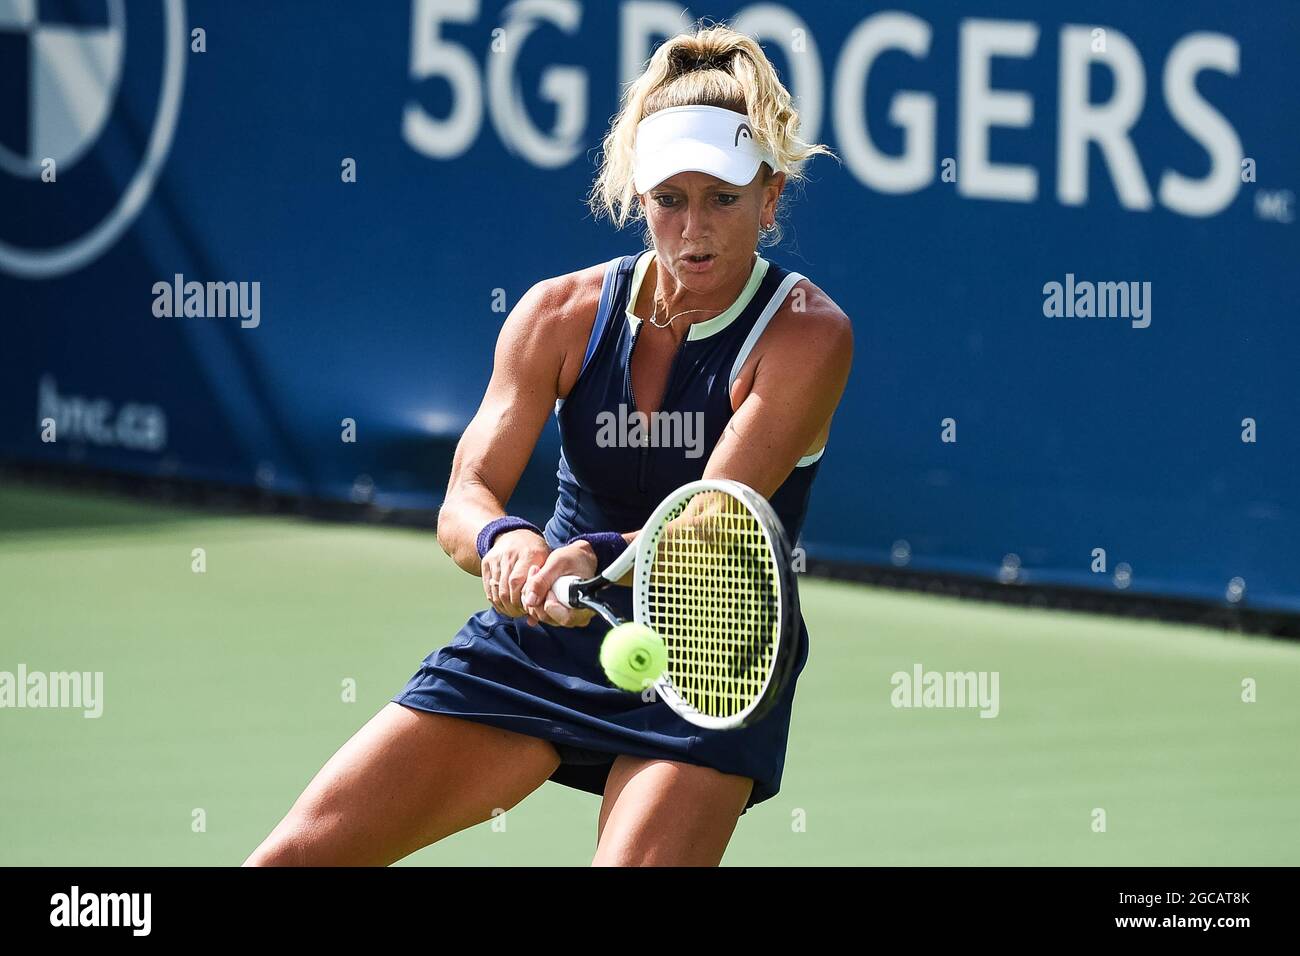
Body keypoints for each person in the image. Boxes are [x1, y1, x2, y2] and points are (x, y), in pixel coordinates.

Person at [246, 22, 851, 868]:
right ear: (639, 199)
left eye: (722, 198)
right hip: (548, 632)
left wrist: (585, 560)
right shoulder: (557, 315)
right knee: (293, 860)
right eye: (668, 199)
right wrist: (507, 542)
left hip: (709, 651)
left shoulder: (806, 336)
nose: (693, 230)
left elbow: (709, 520)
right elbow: (467, 497)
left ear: (771, 197)